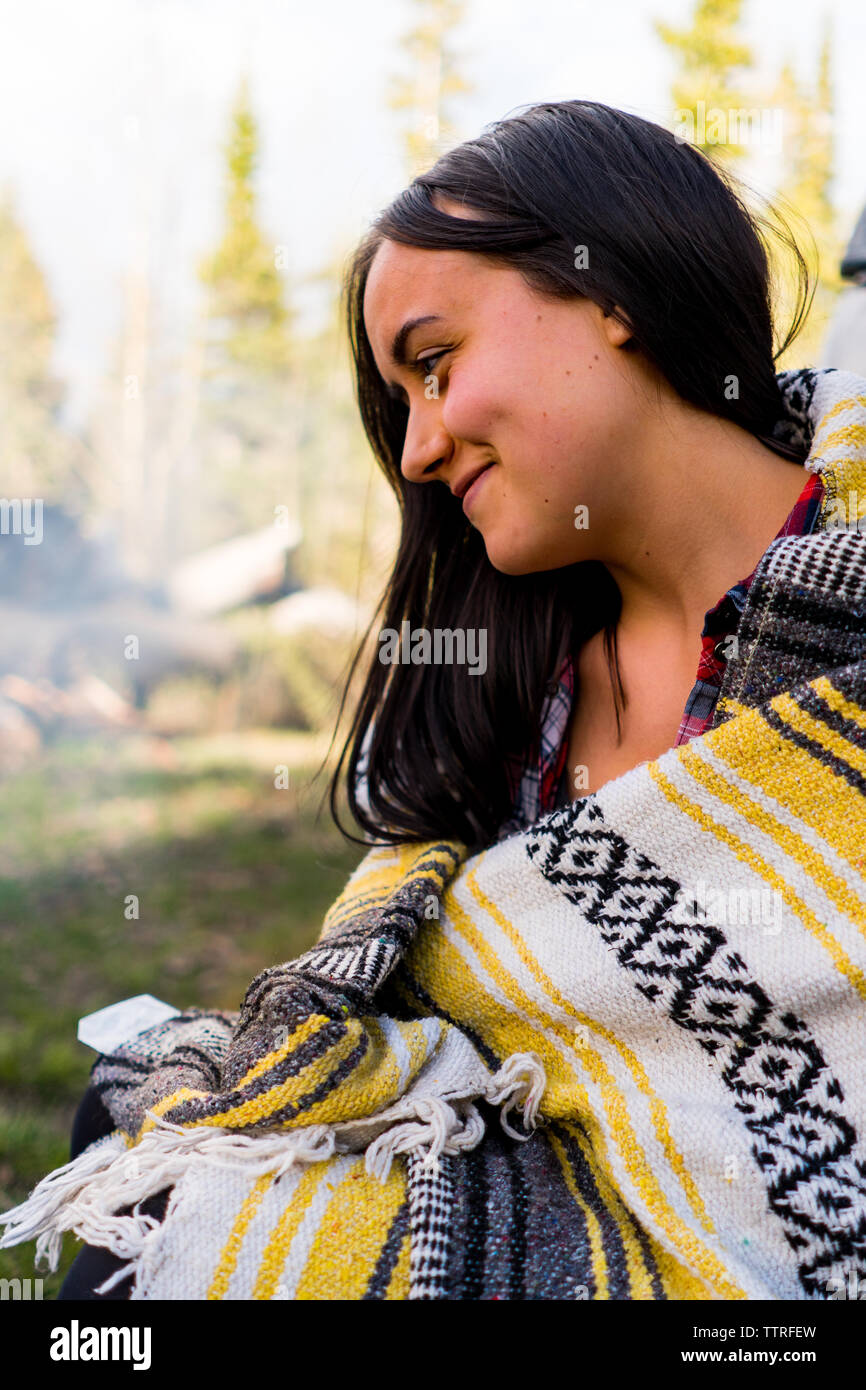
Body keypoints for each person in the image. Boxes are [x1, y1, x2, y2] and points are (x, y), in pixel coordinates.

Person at [51, 98, 861, 1300]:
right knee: (137, 1178)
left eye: (434, 366)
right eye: (402, 400)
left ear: (610, 291)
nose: (419, 449)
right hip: (518, 1199)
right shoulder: (504, 682)